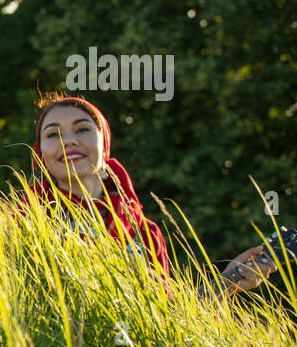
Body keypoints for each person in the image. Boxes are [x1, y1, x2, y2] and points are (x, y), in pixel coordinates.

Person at [20, 95, 276, 294]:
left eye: (82, 129)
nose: (69, 140)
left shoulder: (144, 232)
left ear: (104, 143)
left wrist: (227, 282)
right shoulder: (28, 220)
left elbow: (168, 318)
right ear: (40, 152)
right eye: (53, 134)